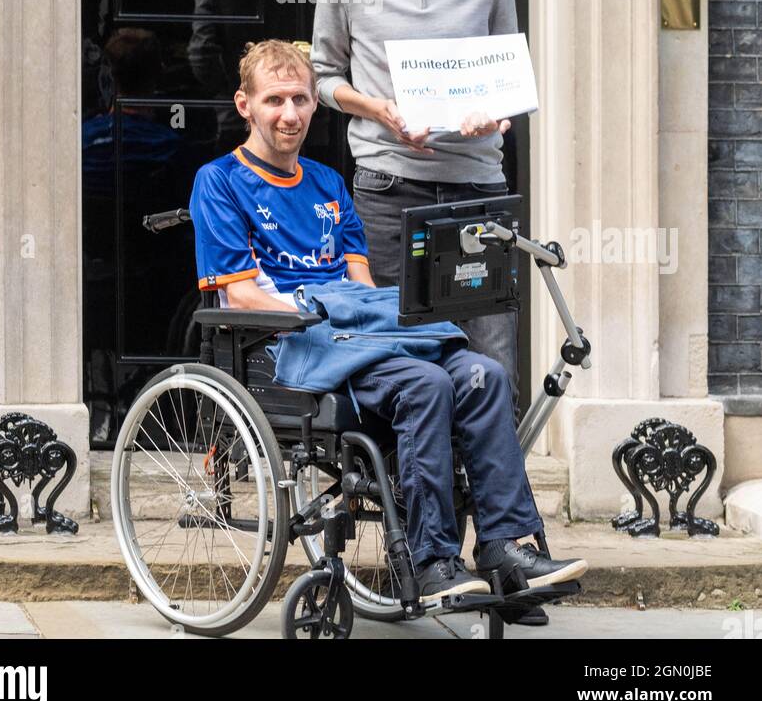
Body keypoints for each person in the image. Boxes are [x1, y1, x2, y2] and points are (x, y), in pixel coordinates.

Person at [188, 39, 587, 606]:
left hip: (355, 332)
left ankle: (504, 544)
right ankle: (433, 560)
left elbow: (364, 288)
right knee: (425, 385)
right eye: (275, 99)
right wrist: (324, 315)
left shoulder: (328, 182)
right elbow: (245, 297)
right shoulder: (219, 182)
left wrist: (375, 325)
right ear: (245, 104)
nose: (290, 114)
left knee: (482, 375)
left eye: (301, 99)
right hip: (287, 345)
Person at [310, 0, 521, 403]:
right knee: (394, 357)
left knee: (491, 358)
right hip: (385, 190)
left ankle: (487, 494)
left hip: (475, 190)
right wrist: (377, 108)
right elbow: (323, 78)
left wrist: (494, 114)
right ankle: (403, 492)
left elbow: (507, 78)